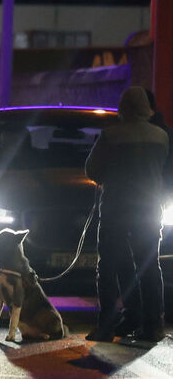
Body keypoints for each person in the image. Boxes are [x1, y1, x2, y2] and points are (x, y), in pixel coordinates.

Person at [85, 86, 169, 342]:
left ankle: (106, 326)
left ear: (122, 107)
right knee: (149, 266)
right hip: (149, 208)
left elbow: (92, 169)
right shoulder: (161, 137)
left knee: (108, 265)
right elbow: (165, 169)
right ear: (147, 108)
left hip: (116, 209)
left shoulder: (110, 136)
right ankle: (153, 326)